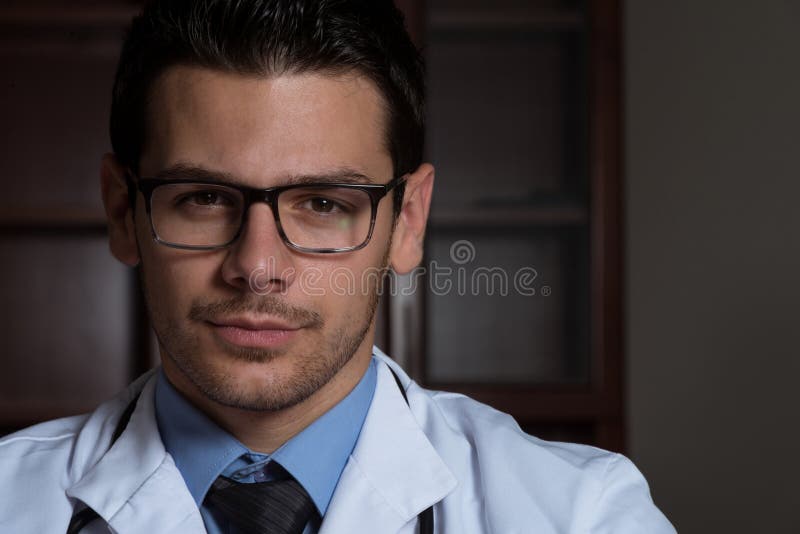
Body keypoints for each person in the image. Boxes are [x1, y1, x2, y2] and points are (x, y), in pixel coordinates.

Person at [0, 1, 675, 532]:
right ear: (124, 212)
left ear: (407, 221)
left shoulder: (582, 515)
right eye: (204, 198)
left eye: (323, 202)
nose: (257, 266)